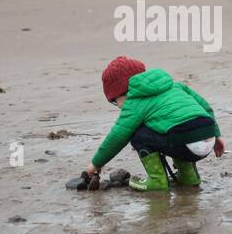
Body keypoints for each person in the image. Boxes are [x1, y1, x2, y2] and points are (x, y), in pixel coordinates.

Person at [84, 56, 224, 191]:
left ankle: (157, 180)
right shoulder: (176, 86)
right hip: (208, 140)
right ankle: (189, 177)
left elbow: (118, 136)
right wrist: (217, 135)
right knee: (171, 126)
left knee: (138, 134)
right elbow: (205, 107)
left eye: (114, 101)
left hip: (184, 143)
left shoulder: (134, 102)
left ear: (122, 92)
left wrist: (96, 164)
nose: (118, 106)